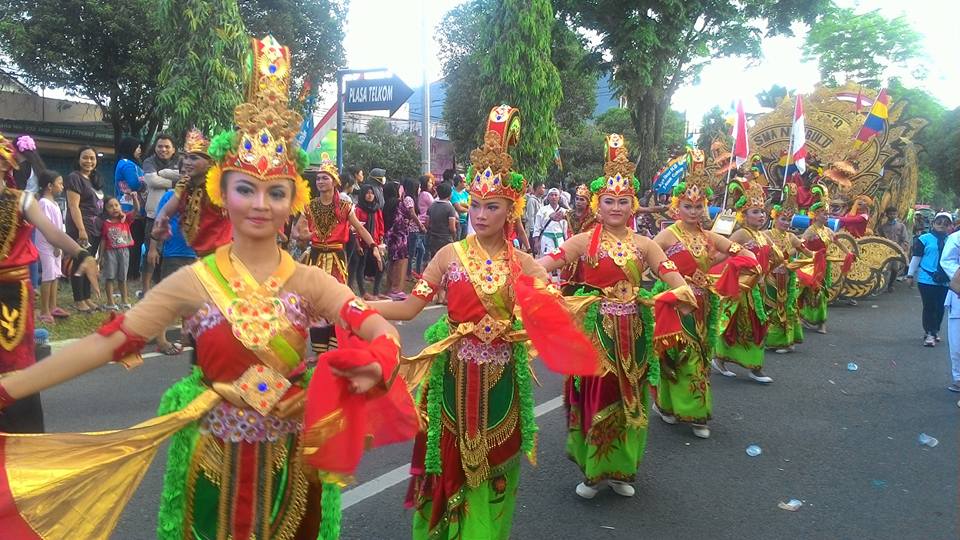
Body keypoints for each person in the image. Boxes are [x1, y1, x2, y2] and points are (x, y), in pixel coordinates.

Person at [0, 36, 416, 539]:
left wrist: (377, 362)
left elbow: (377, 329)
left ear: (293, 200)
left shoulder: (310, 281)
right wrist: (8, 388)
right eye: (246, 188)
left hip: (292, 476)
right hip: (212, 473)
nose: (260, 204)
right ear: (223, 191)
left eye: (275, 191)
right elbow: (107, 342)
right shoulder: (194, 283)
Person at [372, 105, 599, 539]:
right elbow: (409, 308)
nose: (479, 215)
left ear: (510, 210)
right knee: (449, 459)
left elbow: (550, 312)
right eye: (475, 205)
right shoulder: (448, 256)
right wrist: (355, 306)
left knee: (497, 463)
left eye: (491, 207)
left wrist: (553, 313)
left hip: (501, 378)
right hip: (454, 376)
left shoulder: (523, 263)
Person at [538, 134, 693, 499]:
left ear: (633, 204)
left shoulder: (645, 244)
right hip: (596, 335)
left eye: (623, 201)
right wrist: (539, 285)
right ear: (598, 204)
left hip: (635, 335)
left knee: (631, 398)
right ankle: (595, 470)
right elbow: (543, 264)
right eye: (609, 200)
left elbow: (673, 277)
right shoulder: (584, 241)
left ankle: (622, 469)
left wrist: (672, 294)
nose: (616, 207)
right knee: (598, 396)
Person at [652, 157, 759, 439]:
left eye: (699, 206)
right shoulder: (667, 235)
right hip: (677, 305)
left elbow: (738, 251)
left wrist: (739, 261)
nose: (694, 211)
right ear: (677, 206)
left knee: (699, 355)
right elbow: (648, 261)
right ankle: (675, 407)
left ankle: (687, 410)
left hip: (703, 305)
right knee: (676, 355)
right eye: (688, 206)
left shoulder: (709, 236)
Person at [0, 133, 99, 434]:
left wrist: (82, 255)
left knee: (15, 363)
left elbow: (52, 233)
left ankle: (22, 434)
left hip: (12, 295)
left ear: (5, 166)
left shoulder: (22, 200)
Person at [294, 161, 379, 352]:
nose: (320, 181)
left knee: (335, 301)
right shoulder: (310, 206)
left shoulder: (344, 206)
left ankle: (334, 348)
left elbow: (359, 228)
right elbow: (297, 233)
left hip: (336, 259)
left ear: (334, 182)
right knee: (315, 302)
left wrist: (374, 246)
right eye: (318, 178)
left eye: (325, 178)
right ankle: (319, 350)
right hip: (315, 257)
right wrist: (308, 235)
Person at [713, 178, 774, 383]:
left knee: (742, 326)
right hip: (742, 290)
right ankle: (754, 367)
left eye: (762, 211)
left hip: (759, 288)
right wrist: (702, 265)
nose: (761, 215)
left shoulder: (763, 235)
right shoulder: (741, 234)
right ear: (744, 215)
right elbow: (722, 252)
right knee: (748, 326)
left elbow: (776, 255)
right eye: (755, 212)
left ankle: (720, 358)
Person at [152, 129, 232, 257]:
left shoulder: (219, 186)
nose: (187, 162)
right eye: (186, 157)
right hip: (198, 255)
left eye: (194, 158)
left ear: (210, 162)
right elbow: (166, 211)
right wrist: (161, 223)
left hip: (222, 254)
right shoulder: (185, 185)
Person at [146, 182, 196, 356]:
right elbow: (159, 222)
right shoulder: (170, 196)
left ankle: (186, 334)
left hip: (195, 254)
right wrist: (153, 248)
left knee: (190, 298)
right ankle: (161, 340)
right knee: (168, 299)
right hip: (174, 254)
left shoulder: (201, 196)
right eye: (185, 171)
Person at [798, 183, 852, 335]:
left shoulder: (828, 231)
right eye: (823, 213)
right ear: (815, 215)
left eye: (827, 214)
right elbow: (800, 244)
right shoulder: (811, 230)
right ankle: (804, 317)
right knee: (806, 292)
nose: (826, 216)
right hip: (810, 264)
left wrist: (849, 254)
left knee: (821, 293)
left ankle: (821, 322)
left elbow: (839, 243)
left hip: (823, 265)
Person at [763, 185, 810, 353]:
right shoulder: (766, 235)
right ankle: (770, 339)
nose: (786, 223)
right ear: (775, 218)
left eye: (788, 221)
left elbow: (807, 252)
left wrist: (818, 256)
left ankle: (786, 342)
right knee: (769, 307)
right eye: (783, 219)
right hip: (769, 276)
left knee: (784, 307)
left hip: (787, 278)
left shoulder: (792, 237)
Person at [65, 146, 104, 313]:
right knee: (79, 262)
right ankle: (79, 300)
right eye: (85, 157)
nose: (89, 161)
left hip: (95, 228)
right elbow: (74, 206)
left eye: (92, 158)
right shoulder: (74, 177)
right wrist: (81, 230)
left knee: (90, 261)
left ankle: (87, 297)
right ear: (78, 159)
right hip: (82, 227)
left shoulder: (94, 179)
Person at [142, 133, 181, 294]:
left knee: (168, 254)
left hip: (175, 216)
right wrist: (175, 182)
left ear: (174, 149)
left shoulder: (180, 160)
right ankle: (145, 290)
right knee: (151, 253)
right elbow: (152, 181)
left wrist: (163, 173)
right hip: (153, 215)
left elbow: (185, 176)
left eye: (167, 146)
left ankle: (162, 289)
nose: (163, 149)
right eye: (160, 146)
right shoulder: (149, 161)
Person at [908, 212, 953, 347]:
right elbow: (916, 257)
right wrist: (910, 275)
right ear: (933, 223)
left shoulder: (952, 240)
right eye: (939, 222)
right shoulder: (924, 239)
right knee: (929, 306)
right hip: (926, 279)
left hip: (945, 280)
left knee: (940, 307)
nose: (942, 225)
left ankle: (935, 329)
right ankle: (929, 332)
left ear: (950, 226)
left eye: (946, 223)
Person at [35, 170, 70, 324]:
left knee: (56, 274)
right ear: (50, 186)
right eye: (59, 183)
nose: (62, 186)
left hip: (56, 245)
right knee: (48, 276)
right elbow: (47, 227)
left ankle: (53, 306)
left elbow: (59, 226)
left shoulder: (54, 203)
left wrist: (60, 244)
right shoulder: (44, 203)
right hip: (47, 245)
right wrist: (56, 244)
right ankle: (44, 311)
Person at [384, 178, 425, 300]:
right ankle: (396, 289)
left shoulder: (387, 203)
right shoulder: (398, 203)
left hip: (391, 235)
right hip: (400, 235)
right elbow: (406, 215)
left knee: (392, 261)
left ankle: (390, 288)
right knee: (401, 261)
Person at [114, 136, 146, 281]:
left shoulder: (129, 163)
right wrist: (145, 183)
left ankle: (131, 272)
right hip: (129, 208)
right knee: (132, 242)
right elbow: (134, 184)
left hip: (133, 207)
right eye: (137, 147)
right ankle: (129, 273)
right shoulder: (127, 164)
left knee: (135, 242)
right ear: (130, 148)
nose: (139, 150)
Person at [99, 195, 139, 310]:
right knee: (110, 277)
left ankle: (124, 301)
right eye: (110, 206)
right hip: (110, 252)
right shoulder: (105, 223)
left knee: (123, 278)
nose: (114, 208)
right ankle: (110, 303)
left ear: (120, 207)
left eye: (116, 205)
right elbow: (103, 240)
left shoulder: (125, 220)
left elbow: (136, 210)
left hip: (124, 252)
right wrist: (100, 257)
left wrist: (134, 198)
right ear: (106, 210)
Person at [353, 184, 386, 300]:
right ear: (363, 194)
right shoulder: (358, 209)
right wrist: (357, 245)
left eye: (372, 193)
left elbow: (380, 227)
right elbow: (356, 229)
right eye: (367, 193)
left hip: (375, 244)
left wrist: (380, 241)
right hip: (362, 244)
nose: (369, 195)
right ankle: (363, 293)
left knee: (382, 266)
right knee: (360, 267)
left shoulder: (377, 210)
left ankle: (376, 292)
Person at [938, 218, 960, 392]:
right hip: (958, 296)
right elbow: (947, 262)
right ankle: (958, 377)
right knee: (957, 341)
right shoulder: (956, 238)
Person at [878, 206, 909, 292]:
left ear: (897, 215)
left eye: (894, 214)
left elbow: (905, 238)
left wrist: (903, 248)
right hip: (886, 251)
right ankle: (881, 286)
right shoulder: (883, 227)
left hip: (896, 250)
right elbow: (880, 238)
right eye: (890, 214)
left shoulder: (901, 226)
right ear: (887, 215)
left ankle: (890, 285)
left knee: (895, 269)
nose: (892, 215)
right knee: (884, 268)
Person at [410, 173, 434, 278]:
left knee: (420, 249)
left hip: (420, 222)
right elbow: (434, 206)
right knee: (422, 249)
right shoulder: (426, 195)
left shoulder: (419, 194)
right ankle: (416, 271)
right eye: (430, 182)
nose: (432, 184)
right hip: (424, 223)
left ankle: (416, 271)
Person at [426, 181, 458, 259]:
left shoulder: (432, 206)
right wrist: (454, 237)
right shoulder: (450, 208)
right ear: (450, 194)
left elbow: (427, 224)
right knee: (446, 261)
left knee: (435, 260)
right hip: (446, 239)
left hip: (433, 239)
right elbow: (452, 228)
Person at [450, 173, 470, 239]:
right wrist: (469, 210)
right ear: (459, 183)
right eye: (464, 182)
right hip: (456, 222)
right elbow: (458, 208)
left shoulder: (465, 194)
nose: (466, 183)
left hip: (465, 221)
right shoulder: (452, 193)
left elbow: (470, 204)